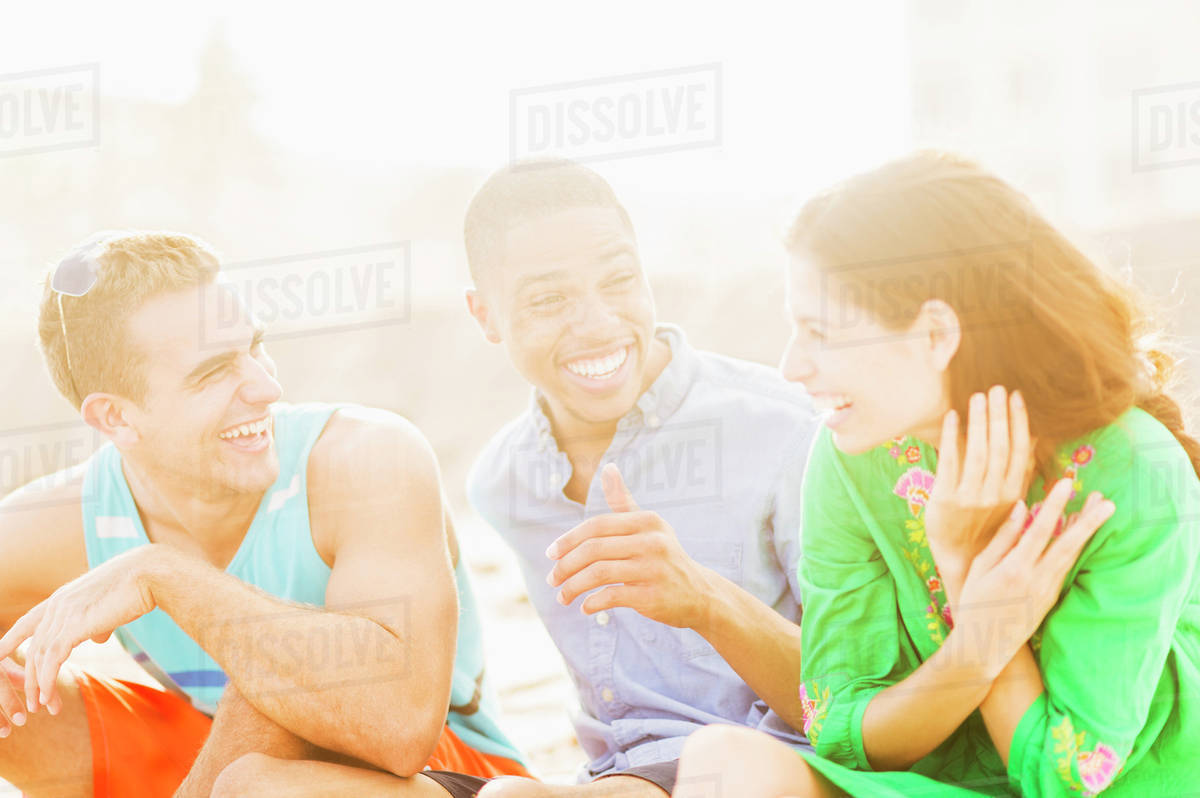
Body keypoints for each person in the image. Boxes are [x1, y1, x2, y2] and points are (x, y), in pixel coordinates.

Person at [672, 151, 1200, 796]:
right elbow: (840, 729)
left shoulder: (1132, 472)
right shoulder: (851, 454)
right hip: (942, 786)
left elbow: (1066, 778)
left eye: (819, 331)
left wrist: (971, 564)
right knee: (722, 762)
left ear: (934, 334)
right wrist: (979, 636)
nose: (790, 366)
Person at [0, 231, 529, 798]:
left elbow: (400, 731)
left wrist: (161, 575)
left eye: (255, 348)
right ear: (117, 419)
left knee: (281, 679)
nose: (266, 386)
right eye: (212, 372)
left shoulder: (368, 460)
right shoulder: (69, 518)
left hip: (436, 771)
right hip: (219, 758)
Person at [460, 160, 818, 797]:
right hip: (620, 781)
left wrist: (705, 599)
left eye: (618, 279)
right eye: (548, 299)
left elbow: (858, 708)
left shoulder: (786, 429)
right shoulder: (501, 483)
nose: (597, 323)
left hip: (771, 770)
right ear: (485, 317)